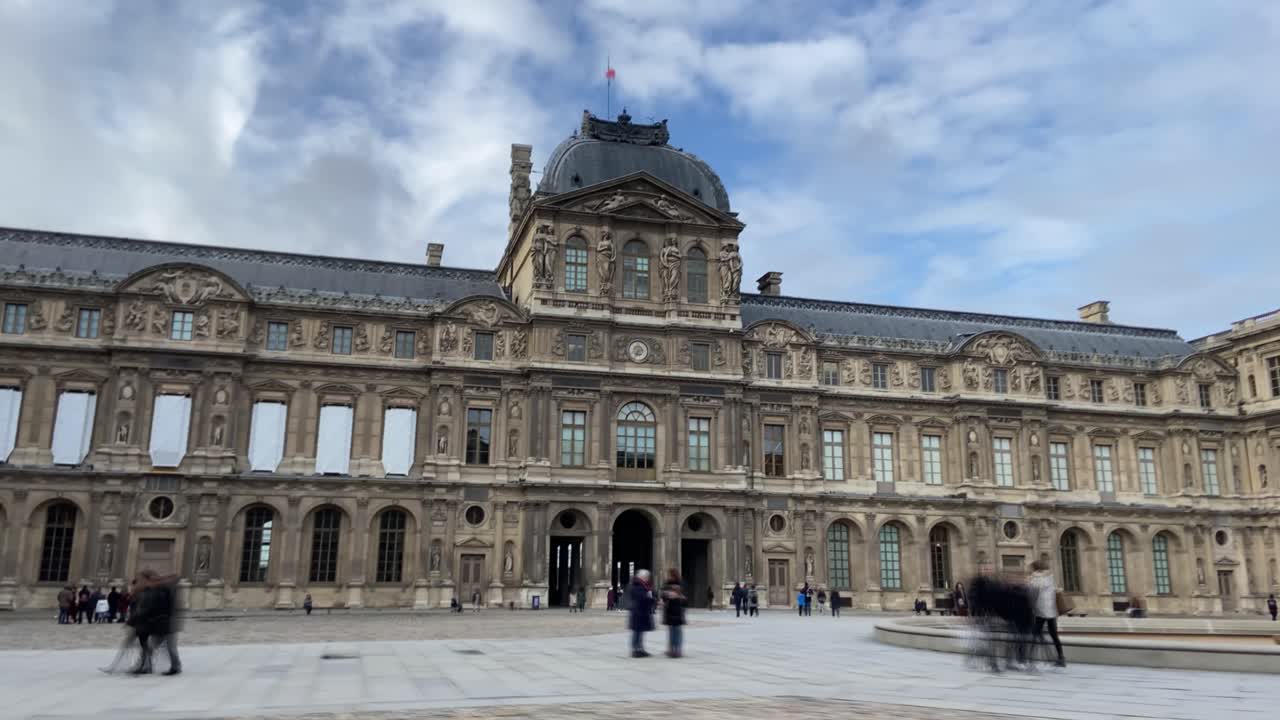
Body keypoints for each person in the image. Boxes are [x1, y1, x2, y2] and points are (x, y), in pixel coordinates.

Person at [1028, 560, 1066, 667]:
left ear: (1035, 568)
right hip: (1051, 611)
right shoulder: (1050, 577)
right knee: (1054, 635)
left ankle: (1030, 659)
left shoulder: (1037, 578)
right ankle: (1061, 658)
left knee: (1035, 634)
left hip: (1041, 610)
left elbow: (1032, 590)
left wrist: (1030, 580)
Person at [628, 570, 655, 657]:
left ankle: (640, 649)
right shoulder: (638, 586)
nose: (647, 579)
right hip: (639, 613)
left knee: (640, 632)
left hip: (641, 612)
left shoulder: (640, 585)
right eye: (646, 577)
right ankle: (636, 650)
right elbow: (642, 598)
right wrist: (652, 600)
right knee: (637, 632)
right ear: (642, 577)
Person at [660, 569, 687, 658]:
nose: (669, 576)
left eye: (670, 575)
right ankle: (672, 650)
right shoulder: (667, 584)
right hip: (670, 611)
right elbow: (663, 596)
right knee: (672, 631)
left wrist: (679, 596)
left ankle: (677, 650)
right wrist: (667, 595)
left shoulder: (680, 584)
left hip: (677, 611)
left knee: (677, 631)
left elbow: (685, 598)